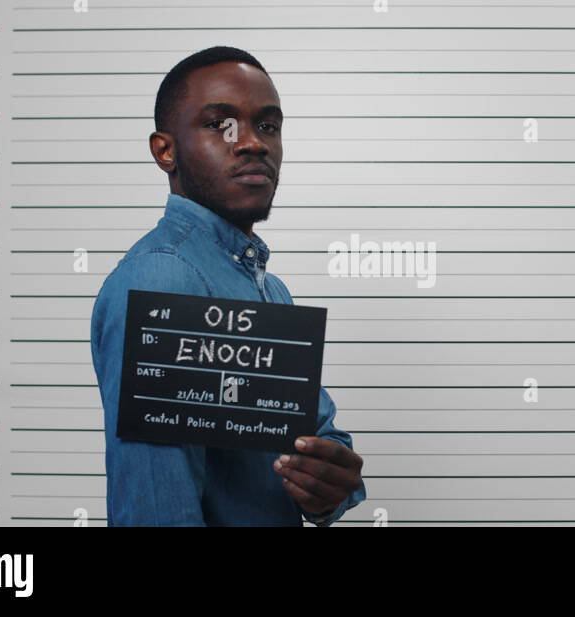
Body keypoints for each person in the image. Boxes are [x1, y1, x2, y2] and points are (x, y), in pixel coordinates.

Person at [90, 46, 367, 526]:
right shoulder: (161, 279)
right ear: (165, 150)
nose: (253, 143)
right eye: (221, 124)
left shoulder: (271, 289)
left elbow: (320, 440)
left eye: (268, 126)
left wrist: (329, 488)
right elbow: (156, 512)